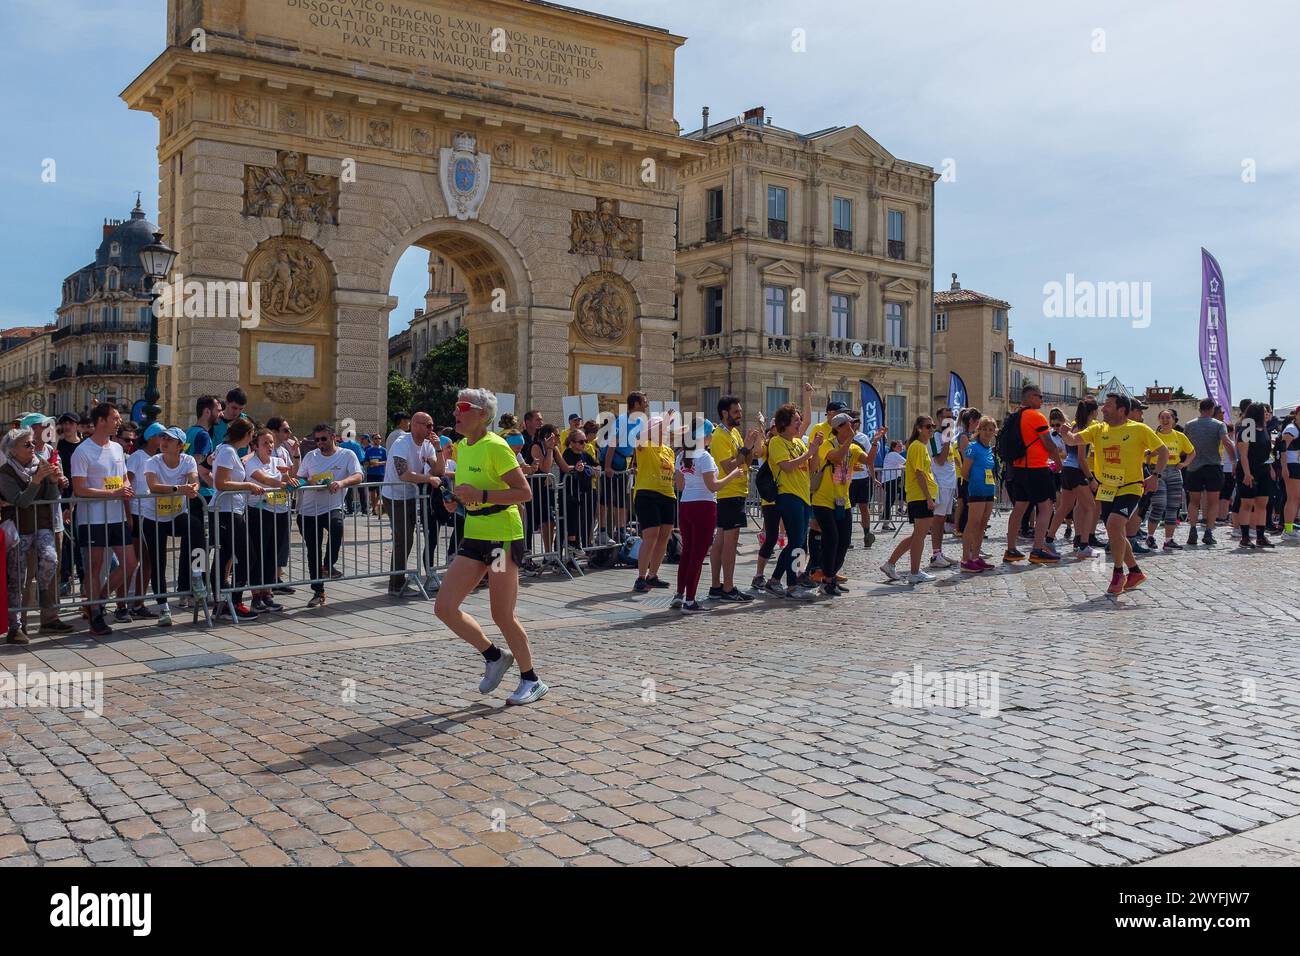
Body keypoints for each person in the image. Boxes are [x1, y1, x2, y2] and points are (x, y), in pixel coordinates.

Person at [433, 387, 547, 706]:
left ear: (482, 414)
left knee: (502, 614)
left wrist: (480, 497)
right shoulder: (461, 447)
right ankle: (494, 656)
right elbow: (473, 489)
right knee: (444, 607)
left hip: (501, 538)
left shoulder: (496, 446)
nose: (455, 412)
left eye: (463, 407)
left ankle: (532, 679)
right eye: (455, 407)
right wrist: (459, 500)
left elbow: (523, 492)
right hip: (475, 534)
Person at [1059, 393, 1167, 595]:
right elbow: (1073, 441)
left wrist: (1155, 476)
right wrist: (1066, 434)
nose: (1102, 409)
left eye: (1107, 405)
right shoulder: (1098, 429)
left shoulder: (1139, 429)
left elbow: (1163, 452)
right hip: (1106, 487)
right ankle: (1135, 571)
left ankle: (1118, 574)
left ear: (1121, 410)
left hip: (1131, 486)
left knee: (1114, 525)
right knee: (1115, 531)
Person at [70, 404, 139, 637]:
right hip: (92, 518)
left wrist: (125, 489)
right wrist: (112, 493)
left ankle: (97, 599)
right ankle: (96, 615)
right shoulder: (83, 451)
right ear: (101, 421)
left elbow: (123, 480)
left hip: (116, 515)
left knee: (130, 563)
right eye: (115, 418)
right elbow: (79, 488)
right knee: (95, 566)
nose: (119, 421)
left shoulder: (118, 449)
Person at [1, 427, 68, 642]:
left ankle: (44, 592)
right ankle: (16, 628)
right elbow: (21, 501)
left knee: (50, 559)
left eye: (32, 443)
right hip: (18, 528)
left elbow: (51, 497)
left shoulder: (40, 465)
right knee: (18, 579)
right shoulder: (5, 473)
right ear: (12, 450)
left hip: (42, 524)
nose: (33, 447)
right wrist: (38, 480)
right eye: (27, 444)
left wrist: (54, 481)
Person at [672, 420, 744, 611]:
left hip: (685, 505)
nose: (712, 436)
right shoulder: (704, 457)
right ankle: (690, 600)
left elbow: (680, 486)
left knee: (687, 552)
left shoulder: (681, 456)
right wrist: (733, 475)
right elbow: (713, 486)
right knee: (697, 554)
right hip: (704, 506)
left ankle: (679, 594)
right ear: (703, 437)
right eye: (710, 433)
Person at [297, 425, 364, 607]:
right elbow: (300, 478)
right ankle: (318, 591)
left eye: (323, 439)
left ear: (333, 437)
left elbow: (359, 475)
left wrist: (341, 482)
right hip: (309, 510)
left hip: (333, 505)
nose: (319, 443)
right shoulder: (311, 456)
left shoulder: (347, 455)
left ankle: (328, 564)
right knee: (313, 551)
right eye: (316, 440)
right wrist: (309, 481)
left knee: (337, 526)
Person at [762, 402, 823, 600]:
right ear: (785, 423)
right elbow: (787, 467)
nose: (800, 423)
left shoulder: (798, 442)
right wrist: (808, 452)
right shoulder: (777, 442)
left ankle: (775, 580)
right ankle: (791, 584)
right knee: (796, 541)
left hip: (804, 496)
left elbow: (812, 466)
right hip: (788, 495)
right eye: (796, 420)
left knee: (797, 542)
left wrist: (816, 450)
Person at [140, 426, 200, 626]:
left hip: (176, 514)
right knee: (158, 562)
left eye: (170, 439)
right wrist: (178, 488)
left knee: (197, 529)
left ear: (180, 445)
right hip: (154, 517)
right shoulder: (152, 461)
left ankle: (197, 575)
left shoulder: (188, 460)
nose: (164, 442)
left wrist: (193, 488)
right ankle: (163, 608)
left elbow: (194, 480)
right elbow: (153, 486)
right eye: (162, 437)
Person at [383, 411, 443, 596]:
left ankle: (399, 581)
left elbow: (439, 470)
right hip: (394, 496)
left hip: (411, 495)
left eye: (432, 425)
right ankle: (396, 584)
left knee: (408, 538)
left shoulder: (428, 445)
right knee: (404, 539)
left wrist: (439, 448)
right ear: (415, 425)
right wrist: (428, 479)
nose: (431, 429)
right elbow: (404, 474)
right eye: (428, 425)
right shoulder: (402, 443)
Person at [706, 395, 759, 603]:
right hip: (728, 493)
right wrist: (745, 448)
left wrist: (750, 447)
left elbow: (745, 460)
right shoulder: (720, 436)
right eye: (736, 412)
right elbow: (729, 466)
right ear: (724, 413)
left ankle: (716, 586)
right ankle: (728, 587)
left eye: (740, 411)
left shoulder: (734, 432)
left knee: (720, 541)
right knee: (730, 542)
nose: (740, 415)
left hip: (737, 491)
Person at [212, 417, 265, 621]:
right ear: (245, 434)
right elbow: (220, 482)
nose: (253, 437)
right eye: (252, 434)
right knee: (247, 556)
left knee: (225, 555)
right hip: (227, 510)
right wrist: (248, 486)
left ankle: (224, 601)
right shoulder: (226, 451)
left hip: (232, 509)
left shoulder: (229, 450)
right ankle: (234, 600)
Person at [1003, 383, 1061, 564]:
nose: (1042, 399)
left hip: (1018, 468)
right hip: (1036, 468)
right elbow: (1048, 443)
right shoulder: (1036, 416)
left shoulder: (1015, 416)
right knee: (1045, 508)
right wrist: (1059, 463)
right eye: (1039, 396)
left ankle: (1011, 549)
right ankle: (1037, 549)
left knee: (1019, 508)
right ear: (1028, 398)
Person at [811, 413, 868, 596]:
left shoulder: (853, 446)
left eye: (853, 424)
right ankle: (826, 580)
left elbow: (868, 460)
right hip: (823, 500)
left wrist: (874, 442)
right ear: (839, 427)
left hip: (843, 501)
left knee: (844, 541)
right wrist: (850, 438)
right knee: (832, 538)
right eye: (849, 425)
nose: (852, 427)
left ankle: (830, 576)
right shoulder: (827, 444)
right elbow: (836, 458)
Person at [881, 416, 940, 585]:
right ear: (919, 428)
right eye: (928, 426)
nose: (931, 429)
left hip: (920, 495)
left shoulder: (919, 446)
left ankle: (890, 564)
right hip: (920, 496)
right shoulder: (917, 447)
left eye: (933, 426)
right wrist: (928, 497)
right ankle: (914, 572)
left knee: (917, 535)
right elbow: (919, 473)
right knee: (920, 536)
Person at [245, 427, 296, 613]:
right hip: (259, 511)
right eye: (265, 443)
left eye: (271, 442)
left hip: (280, 510)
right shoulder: (252, 463)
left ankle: (267, 593)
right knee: (258, 554)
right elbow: (264, 479)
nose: (269, 446)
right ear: (255, 446)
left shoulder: (278, 460)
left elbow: (288, 478)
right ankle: (256, 595)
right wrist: (283, 482)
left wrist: (287, 476)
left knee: (273, 554)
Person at [1048, 398, 1101, 557]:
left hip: (1066, 470)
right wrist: (1091, 479)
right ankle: (1084, 545)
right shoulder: (1083, 429)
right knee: (1090, 506)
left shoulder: (1073, 426)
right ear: (1093, 412)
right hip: (1076, 471)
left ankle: (1049, 539)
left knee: (1065, 507)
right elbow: (1081, 458)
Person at [125, 423, 167, 619]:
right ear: (151, 438)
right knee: (135, 561)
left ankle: (137, 602)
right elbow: (127, 482)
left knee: (148, 561)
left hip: (151, 514)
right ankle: (126, 603)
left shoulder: (157, 459)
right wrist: (127, 514)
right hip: (137, 513)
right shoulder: (137, 457)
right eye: (162, 437)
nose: (164, 441)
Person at [631, 416, 677, 593]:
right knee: (651, 535)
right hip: (647, 494)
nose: (664, 430)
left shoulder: (668, 450)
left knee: (665, 535)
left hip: (667, 494)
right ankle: (641, 577)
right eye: (660, 428)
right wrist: (662, 421)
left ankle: (653, 575)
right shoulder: (645, 445)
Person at [602, 391, 647, 543]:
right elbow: (612, 444)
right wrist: (607, 467)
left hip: (624, 462)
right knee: (607, 498)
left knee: (622, 499)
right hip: (612, 460)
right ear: (636, 404)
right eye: (644, 402)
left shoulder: (640, 421)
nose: (646, 404)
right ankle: (603, 531)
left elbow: (637, 446)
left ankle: (621, 530)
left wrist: (635, 464)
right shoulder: (621, 420)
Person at [1146, 410, 1194, 551]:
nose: (1165, 420)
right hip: (1157, 471)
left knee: (1173, 507)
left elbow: (1192, 452)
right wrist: (1150, 455)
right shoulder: (1153, 436)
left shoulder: (1180, 436)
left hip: (1174, 471)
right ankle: (1150, 536)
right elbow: (1145, 456)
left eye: (1168, 417)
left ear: (1173, 420)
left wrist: (1184, 464)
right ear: (1158, 420)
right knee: (1159, 505)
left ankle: (1168, 540)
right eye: (1162, 417)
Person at [958, 416, 999, 572]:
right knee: (972, 523)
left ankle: (975, 557)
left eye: (991, 429)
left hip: (989, 490)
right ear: (979, 430)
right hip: (976, 490)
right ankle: (965, 559)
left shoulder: (989, 448)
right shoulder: (973, 447)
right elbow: (964, 471)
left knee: (982, 525)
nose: (988, 432)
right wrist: (975, 482)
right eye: (985, 429)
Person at [1236, 402, 1275, 550]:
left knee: (1262, 504)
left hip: (1263, 469)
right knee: (1247, 504)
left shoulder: (1264, 428)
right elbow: (1244, 455)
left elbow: (1266, 452)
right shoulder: (1248, 427)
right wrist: (1247, 473)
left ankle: (1260, 536)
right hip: (1249, 470)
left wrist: (1270, 467)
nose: (1267, 413)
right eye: (1264, 411)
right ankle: (1245, 537)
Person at [557, 426, 598, 560]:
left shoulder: (585, 455)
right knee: (566, 525)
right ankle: (561, 551)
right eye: (581, 442)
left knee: (578, 522)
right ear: (572, 443)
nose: (584, 444)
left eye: (585, 441)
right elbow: (568, 468)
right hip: (569, 494)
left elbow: (596, 465)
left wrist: (595, 470)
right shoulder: (568, 453)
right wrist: (578, 468)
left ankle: (572, 554)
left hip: (581, 494)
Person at [928, 406, 959, 568]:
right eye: (947, 417)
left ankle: (939, 552)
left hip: (949, 482)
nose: (950, 420)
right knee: (938, 520)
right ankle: (935, 554)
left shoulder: (950, 437)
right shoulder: (935, 437)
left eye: (952, 417)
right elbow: (940, 460)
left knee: (943, 520)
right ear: (939, 420)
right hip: (940, 483)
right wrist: (947, 439)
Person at [1278, 408, 1300, 541]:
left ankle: (1290, 528)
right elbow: (1282, 448)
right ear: (1296, 415)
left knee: (1296, 498)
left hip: (1296, 464)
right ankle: (1288, 530)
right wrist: (1284, 467)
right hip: (1292, 465)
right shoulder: (1292, 429)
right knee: (1292, 498)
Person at [880, 440, 906, 530]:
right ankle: (885, 521)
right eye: (899, 446)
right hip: (890, 480)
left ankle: (885, 518)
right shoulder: (894, 455)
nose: (901, 447)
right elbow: (906, 463)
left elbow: (902, 466)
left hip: (891, 480)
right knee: (890, 501)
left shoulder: (892, 455)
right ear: (894, 447)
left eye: (901, 445)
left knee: (891, 500)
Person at [362, 433, 388, 518]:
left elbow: (387, 461)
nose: (377, 440)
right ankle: (374, 508)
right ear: (373, 440)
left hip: (380, 473)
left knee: (380, 492)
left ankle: (374, 507)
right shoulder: (369, 450)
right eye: (376, 438)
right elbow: (365, 462)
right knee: (372, 493)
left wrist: (379, 463)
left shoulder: (384, 450)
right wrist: (370, 464)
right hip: (371, 473)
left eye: (379, 438)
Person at [340, 431, 366, 515]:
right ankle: (364, 510)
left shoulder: (341, 445)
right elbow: (361, 458)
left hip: (345, 470)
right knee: (362, 490)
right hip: (357, 469)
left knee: (348, 490)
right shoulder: (357, 445)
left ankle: (350, 510)